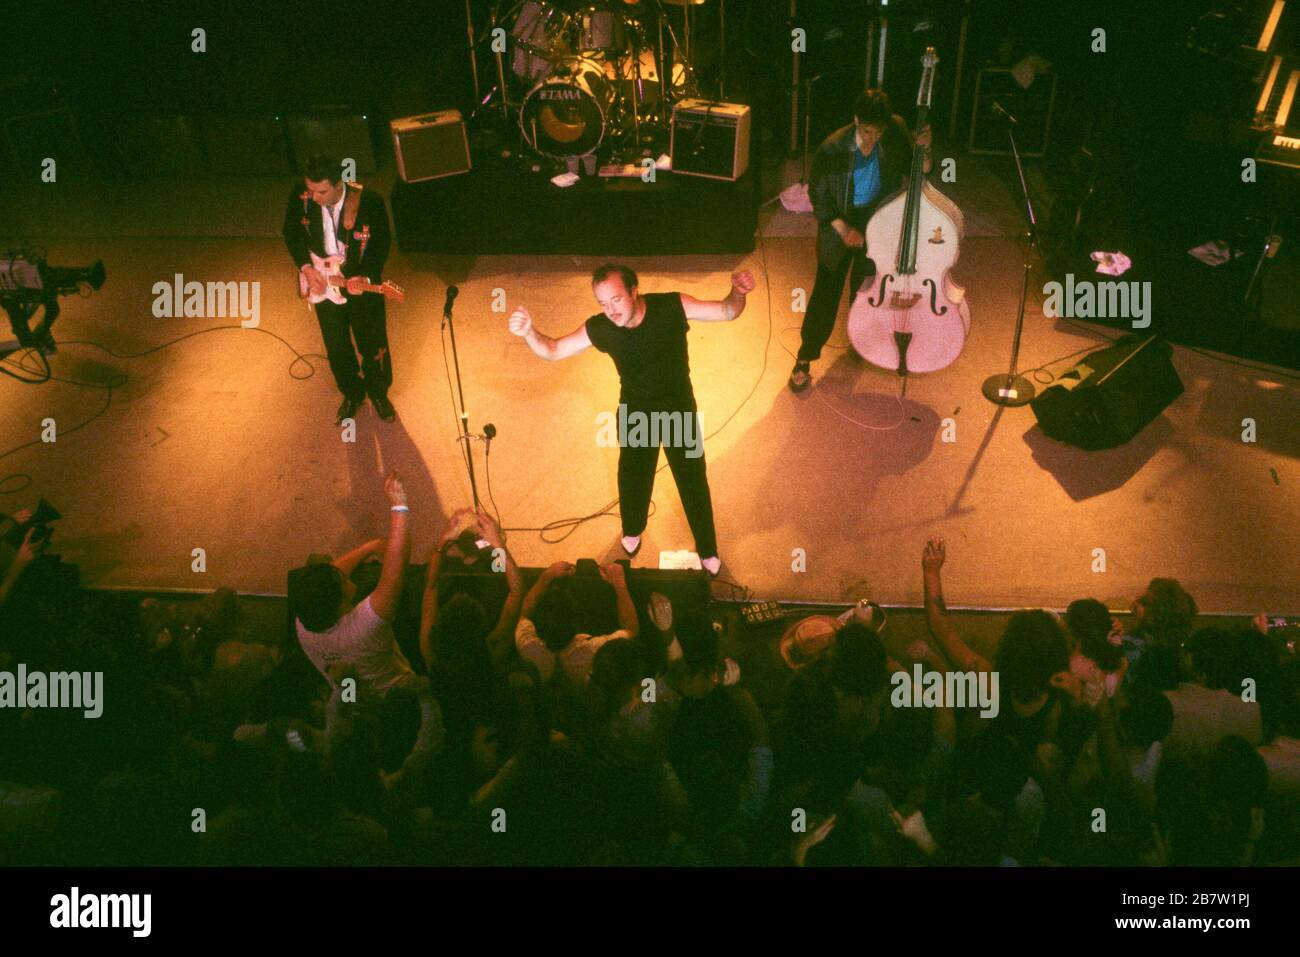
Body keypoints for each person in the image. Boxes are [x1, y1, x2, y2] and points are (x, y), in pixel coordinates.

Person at [508, 264, 755, 576]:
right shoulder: (601, 327)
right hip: (636, 410)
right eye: (602, 303)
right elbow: (555, 349)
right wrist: (529, 332)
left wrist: (738, 292)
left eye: (616, 300)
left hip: (678, 406)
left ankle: (707, 547)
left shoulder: (671, 307)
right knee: (633, 476)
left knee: (692, 478)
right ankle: (633, 528)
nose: (610, 311)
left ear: (634, 291)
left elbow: (728, 311)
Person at [791, 89, 932, 393]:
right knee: (826, 293)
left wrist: (925, 151)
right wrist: (843, 229)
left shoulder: (894, 129)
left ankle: (858, 340)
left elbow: (919, 171)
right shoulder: (832, 148)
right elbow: (818, 195)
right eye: (866, 131)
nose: (871, 139)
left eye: (877, 132)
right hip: (840, 222)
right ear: (856, 120)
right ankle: (805, 357)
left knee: (866, 289)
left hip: (877, 221)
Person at [282, 153, 395, 423]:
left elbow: (382, 243)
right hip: (322, 282)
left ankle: (378, 391)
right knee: (336, 344)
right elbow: (291, 231)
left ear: (339, 183)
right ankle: (352, 392)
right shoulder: (303, 195)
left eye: (321, 191)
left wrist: (366, 277)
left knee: (372, 340)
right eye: (310, 190)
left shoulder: (369, 202)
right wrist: (306, 268)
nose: (314, 197)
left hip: (357, 281)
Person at [291, 471, 421, 695]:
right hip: (397, 703)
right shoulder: (365, 628)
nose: (342, 574)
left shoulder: (304, 624)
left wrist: (368, 548)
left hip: (351, 704)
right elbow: (396, 568)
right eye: (341, 581)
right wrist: (399, 504)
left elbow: (327, 576)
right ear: (340, 604)